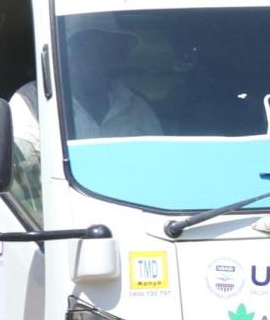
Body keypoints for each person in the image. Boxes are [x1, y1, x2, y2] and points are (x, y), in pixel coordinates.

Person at [10, 18, 161, 220]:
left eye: (109, 49)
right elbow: (23, 173)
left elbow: (158, 172)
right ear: (65, 52)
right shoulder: (32, 101)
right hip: (62, 223)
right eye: (87, 47)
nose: (99, 58)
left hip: (140, 219)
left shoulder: (136, 105)